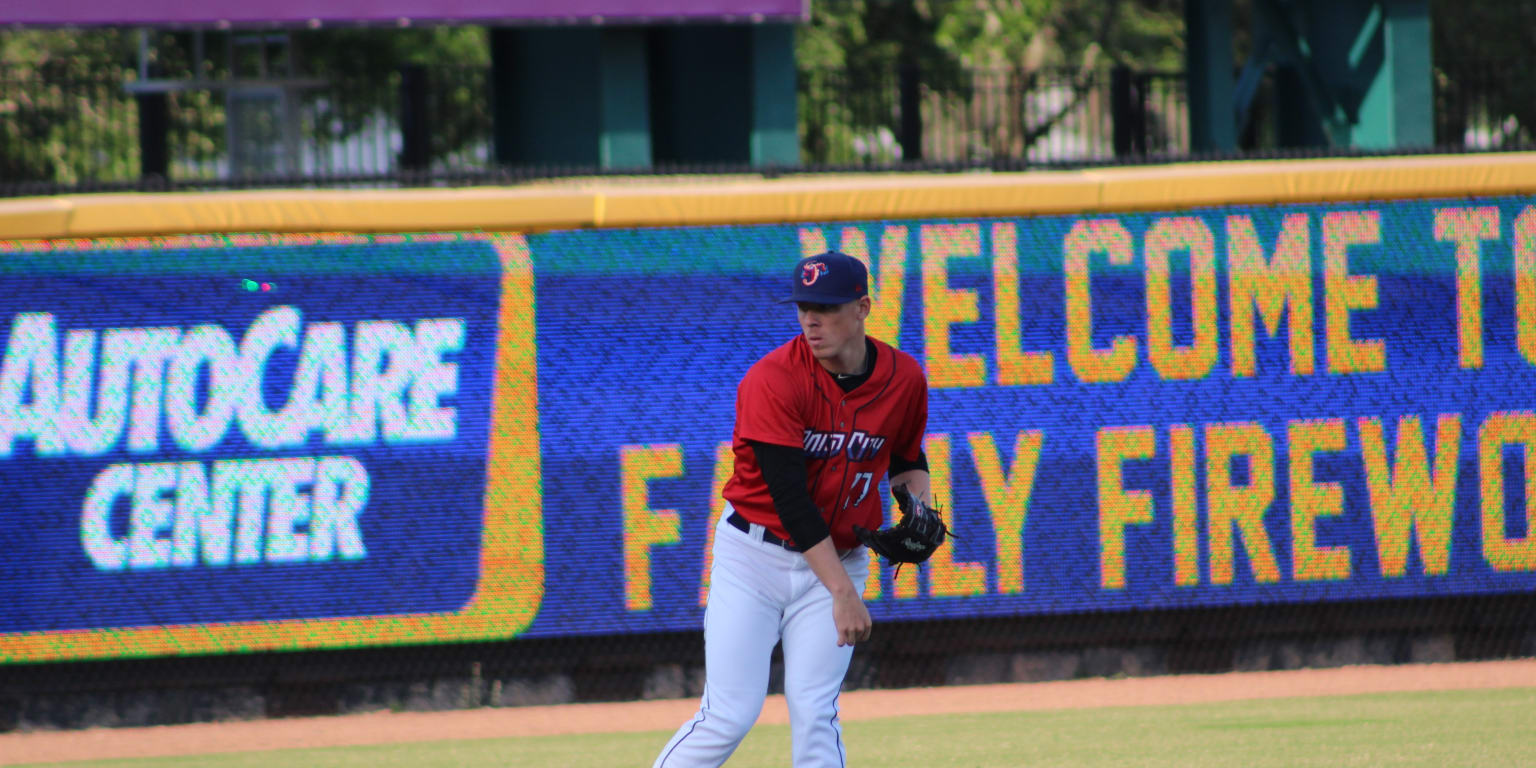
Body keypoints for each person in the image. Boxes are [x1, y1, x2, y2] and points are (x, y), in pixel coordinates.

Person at [653, 250, 933, 767]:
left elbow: (907, 458)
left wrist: (919, 510)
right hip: (753, 559)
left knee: (815, 710)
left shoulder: (904, 377)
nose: (811, 320)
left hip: (841, 555)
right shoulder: (773, 379)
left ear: (862, 308)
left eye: (825, 307)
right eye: (804, 306)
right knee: (728, 714)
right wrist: (843, 593)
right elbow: (791, 501)